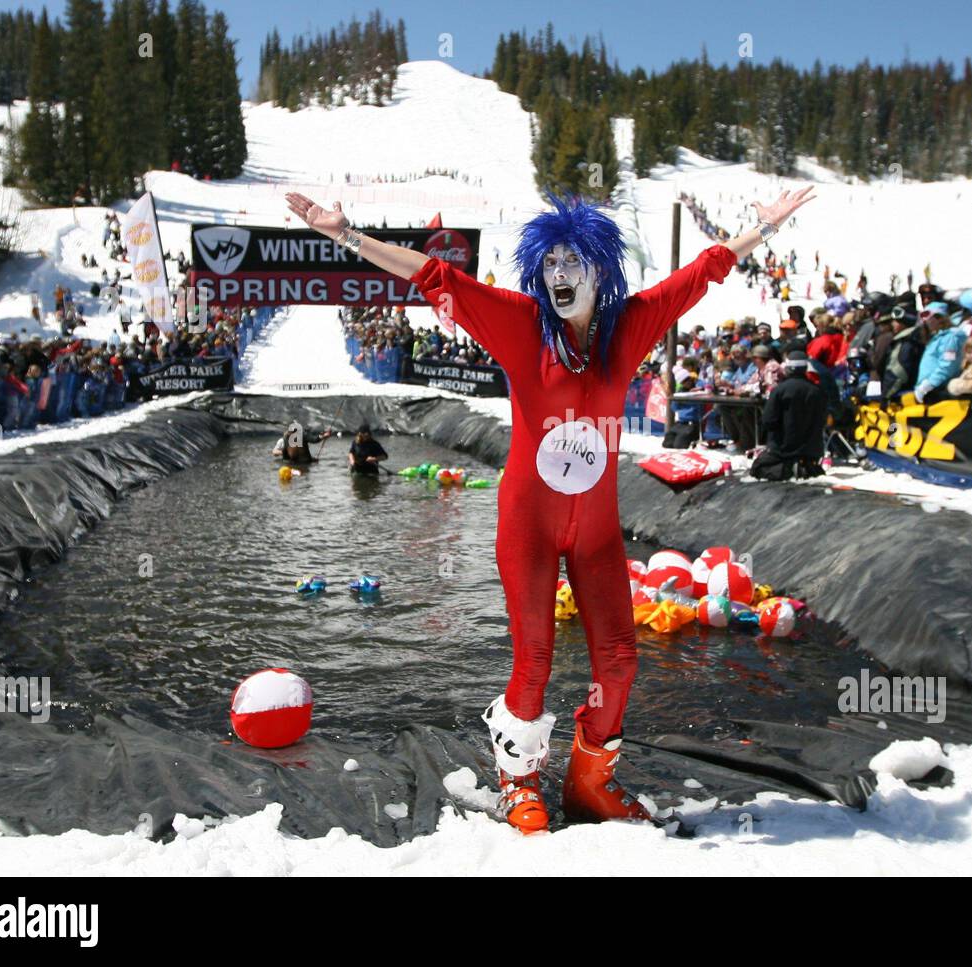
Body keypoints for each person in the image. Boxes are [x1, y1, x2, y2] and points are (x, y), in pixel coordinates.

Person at [287, 184, 815, 832]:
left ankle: (591, 779)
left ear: (600, 269)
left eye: (571, 262)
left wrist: (756, 231)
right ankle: (519, 780)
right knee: (533, 658)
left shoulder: (627, 330)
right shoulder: (517, 325)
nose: (558, 275)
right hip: (530, 524)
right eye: (550, 265)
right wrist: (345, 235)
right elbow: (434, 274)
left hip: (595, 529)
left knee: (621, 658)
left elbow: (696, 278)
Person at [751, 351, 826, 481]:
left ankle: (789, 470)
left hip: (783, 450)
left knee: (757, 468)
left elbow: (768, 421)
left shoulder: (779, 390)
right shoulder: (817, 391)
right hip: (812, 451)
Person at [913, 303, 967, 402]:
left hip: (939, 390)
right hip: (930, 389)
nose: (926, 323)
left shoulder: (951, 337)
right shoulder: (938, 338)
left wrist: (929, 384)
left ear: (940, 318)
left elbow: (948, 364)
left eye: (929, 319)